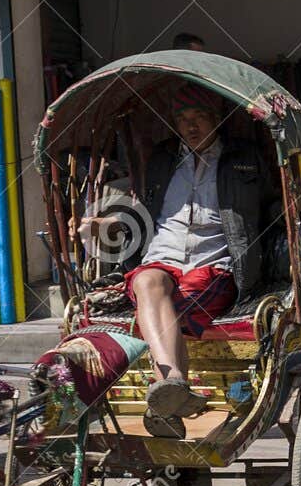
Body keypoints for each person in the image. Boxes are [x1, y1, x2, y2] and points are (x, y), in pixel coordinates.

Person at [81, 84, 280, 437]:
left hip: (214, 263)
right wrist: (106, 224)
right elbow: (144, 210)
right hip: (162, 257)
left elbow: (271, 208)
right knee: (145, 282)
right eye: (183, 119)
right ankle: (173, 383)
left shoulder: (242, 157)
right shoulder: (162, 159)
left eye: (199, 117)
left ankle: (167, 401)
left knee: (176, 306)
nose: (191, 127)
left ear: (216, 120)